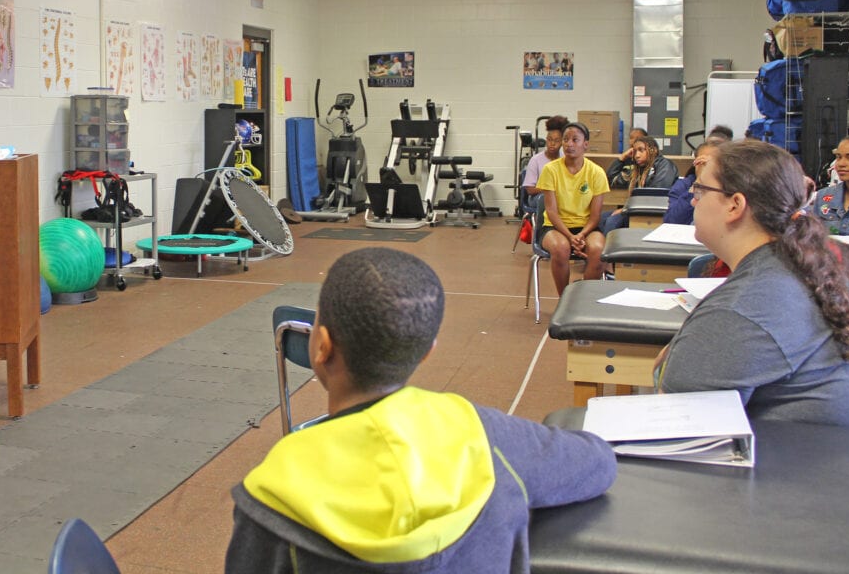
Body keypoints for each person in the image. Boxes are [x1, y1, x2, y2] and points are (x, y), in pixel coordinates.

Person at [225, 248, 616, 573]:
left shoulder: (272, 492)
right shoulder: (484, 436)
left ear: (321, 345)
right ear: (427, 350)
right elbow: (598, 463)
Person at [654, 140, 849, 427]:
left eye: (700, 189)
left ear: (735, 205)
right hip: (833, 457)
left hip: (792, 466)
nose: (693, 199)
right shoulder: (803, 265)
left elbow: (673, 419)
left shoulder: (743, 307)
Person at [535, 122, 610, 298]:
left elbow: (595, 215)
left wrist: (581, 235)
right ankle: (565, 301)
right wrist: (570, 237)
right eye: (566, 140)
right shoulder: (550, 170)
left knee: (599, 249)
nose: (569, 144)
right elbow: (551, 212)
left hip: (586, 227)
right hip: (555, 227)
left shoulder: (597, 172)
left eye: (575, 140)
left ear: (585, 144)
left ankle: (583, 299)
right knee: (561, 248)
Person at [663, 140, 723, 225]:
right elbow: (672, 221)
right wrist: (699, 182)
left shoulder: (730, 187)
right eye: (702, 162)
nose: (707, 166)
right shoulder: (683, 185)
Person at [521, 114, 568, 197]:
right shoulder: (535, 160)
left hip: (560, 196)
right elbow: (530, 189)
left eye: (556, 140)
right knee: (546, 198)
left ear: (562, 142)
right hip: (538, 197)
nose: (552, 144)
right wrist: (549, 190)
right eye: (549, 139)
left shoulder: (566, 159)